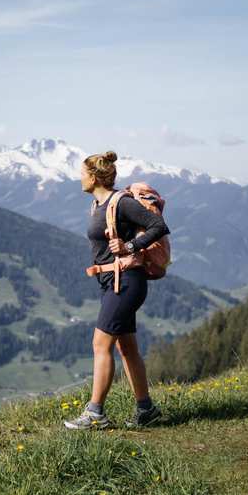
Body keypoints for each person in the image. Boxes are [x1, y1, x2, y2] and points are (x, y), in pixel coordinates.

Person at [64, 150, 170, 430]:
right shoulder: (99, 206)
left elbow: (158, 226)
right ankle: (146, 409)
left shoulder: (120, 203)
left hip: (125, 283)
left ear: (95, 176)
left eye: (83, 174)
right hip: (111, 282)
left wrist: (131, 247)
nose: (80, 178)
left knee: (101, 344)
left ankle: (95, 413)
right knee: (127, 348)